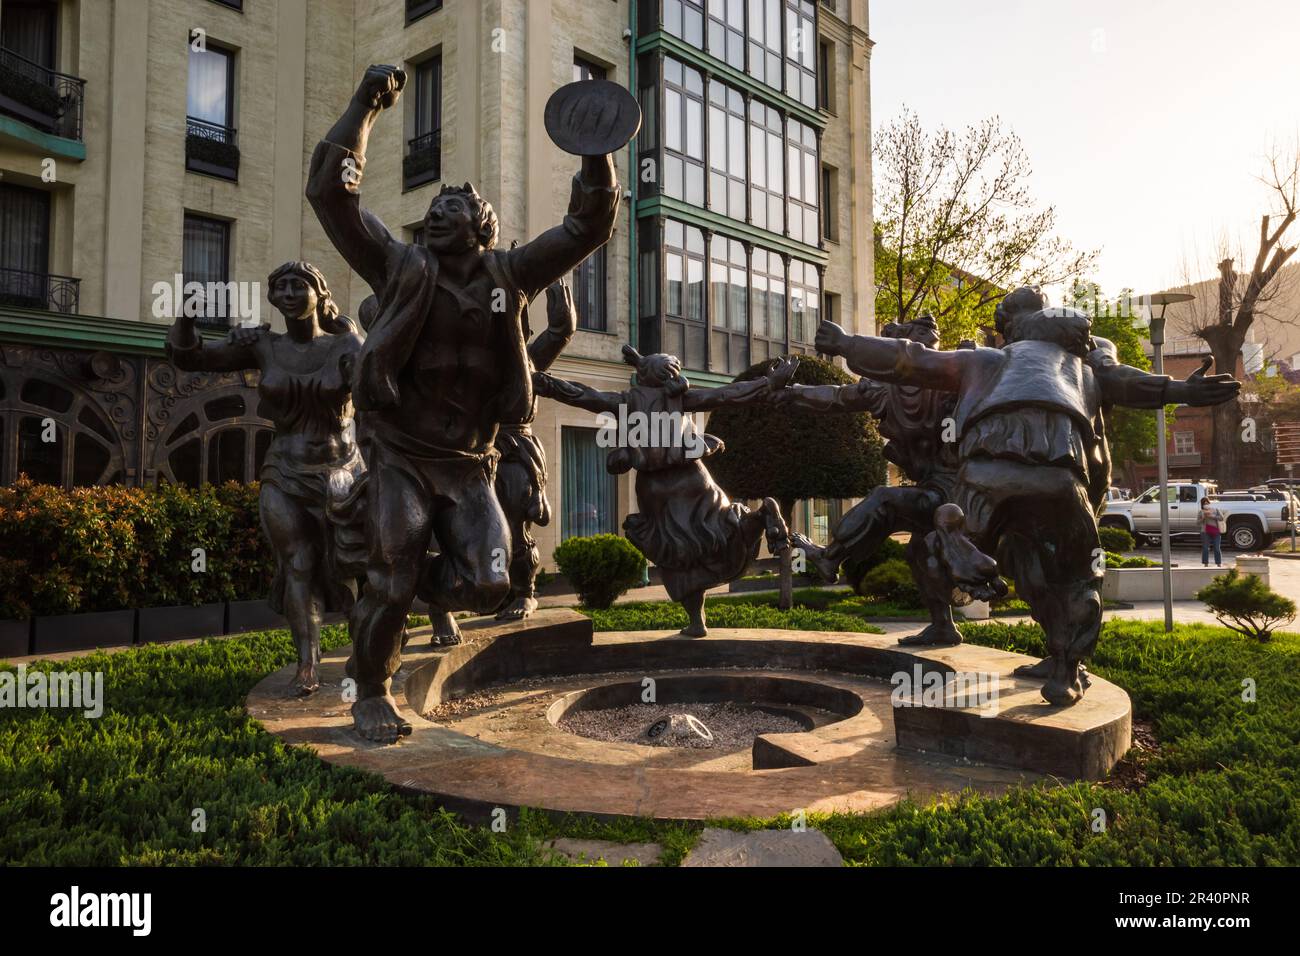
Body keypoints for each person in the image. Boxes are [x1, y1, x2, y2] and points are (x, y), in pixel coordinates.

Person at [306, 64, 620, 742]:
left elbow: (584, 228)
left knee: (490, 581)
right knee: (391, 580)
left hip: (468, 463)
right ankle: (371, 688)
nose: (440, 211)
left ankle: (406, 583)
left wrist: (596, 149)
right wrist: (364, 104)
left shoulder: (510, 276)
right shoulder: (400, 267)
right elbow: (331, 194)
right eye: (436, 206)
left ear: (482, 225)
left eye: (456, 206)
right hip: (402, 456)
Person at [815, 293, 1241, 705]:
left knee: (956, 546)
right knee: (1075, 577)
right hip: (1058, 474)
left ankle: (958, 543)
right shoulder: (1086, 367)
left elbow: (911, 359)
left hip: (984, 469)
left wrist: (847, 344)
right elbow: (1129, 383)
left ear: (1014, 332)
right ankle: (1065, 673)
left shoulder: (986, 359)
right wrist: (1181, 391)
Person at [167, 261, 365, 696]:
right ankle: (307, 665)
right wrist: (186, 315)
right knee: (298, 564)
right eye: (281, 287)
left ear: (320, 292)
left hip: (341, 472)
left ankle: (366, 654)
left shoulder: (344, 343)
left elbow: (377, 391)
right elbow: (191, 358)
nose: (290, 293)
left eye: (300, 284)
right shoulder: (262, 345)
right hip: (284, 472)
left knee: (351, 566)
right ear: (273, 298)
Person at [534, 347, 795, 637]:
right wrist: (768, 383)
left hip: (655, 491)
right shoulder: (681, 398)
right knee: (719, 530)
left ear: (643, 376)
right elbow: (726, 395)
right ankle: (762, 515)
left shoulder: (626, 402)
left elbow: (583, 395)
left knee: (677, 557)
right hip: (693, 482)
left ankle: (697, 620)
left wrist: (545, 383)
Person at [1200, 497, 1225, 566]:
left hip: (1215, 531)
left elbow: (1222, 518)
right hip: (1205, 532)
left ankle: (1218, 563)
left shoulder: (1215, 509)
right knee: (1205, 548)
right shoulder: (1201, 512)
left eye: (1207, 503)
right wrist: (1203, 518)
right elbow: (1197, 522)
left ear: (1209, 503)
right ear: (1202, 505)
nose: (1206, 504)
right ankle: (1205, 563)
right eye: (1204, 504)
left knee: (1217, 548)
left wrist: (1212, 516)